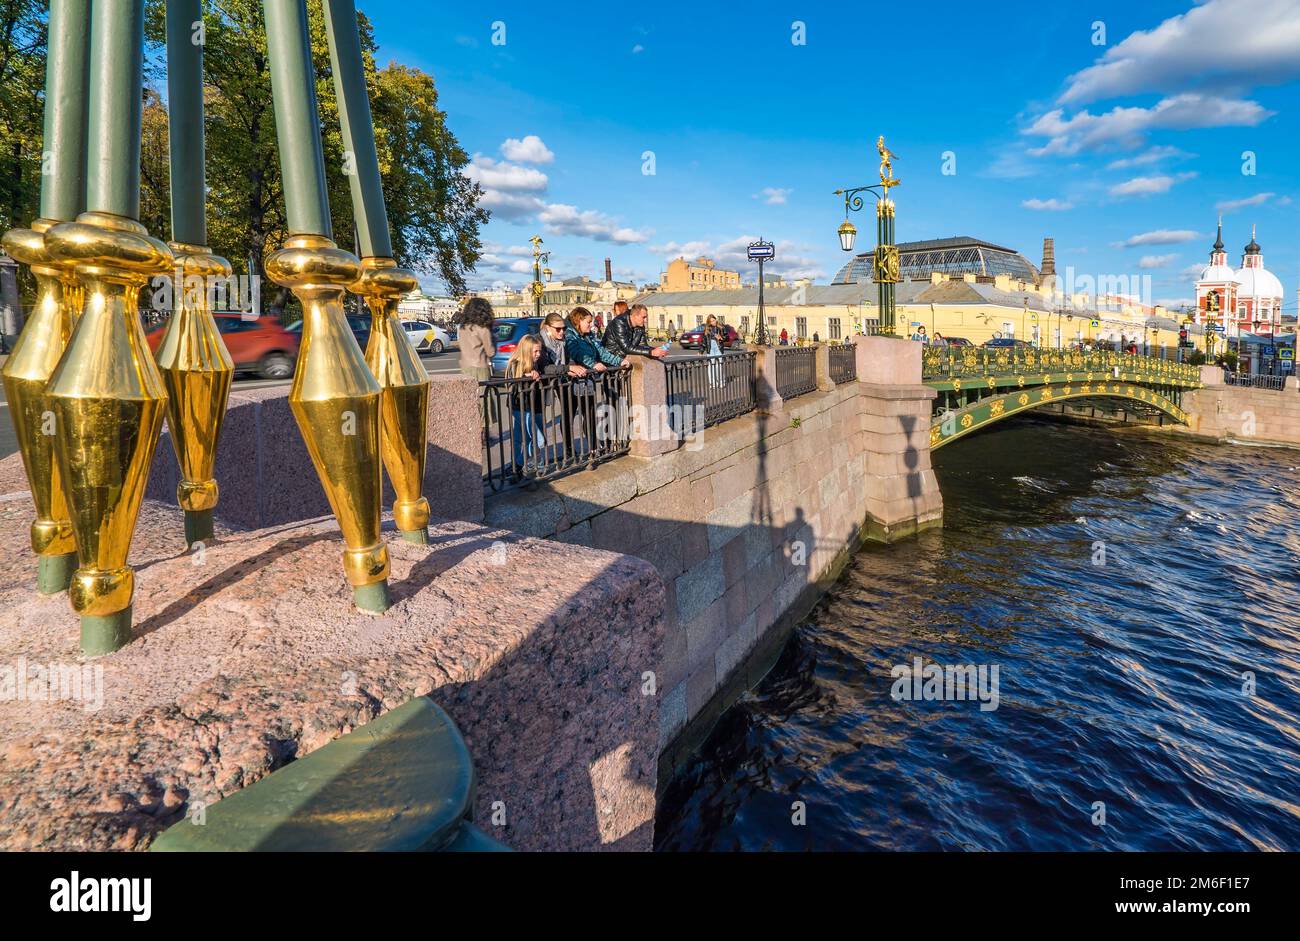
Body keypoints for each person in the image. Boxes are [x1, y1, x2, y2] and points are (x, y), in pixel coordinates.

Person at [565, 306, 625, 455]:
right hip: (570, 381)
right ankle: (569, 450)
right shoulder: (570, 335)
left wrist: (619, 361)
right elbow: (577, 353)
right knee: (569, 415)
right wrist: (593, 364)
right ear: (578, 321)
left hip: (587, 380)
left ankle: (593, 447)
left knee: (590, 414)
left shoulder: (589, 335)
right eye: (588, 322)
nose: (591, 325)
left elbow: (601, 352)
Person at [540, 311, 588, 464]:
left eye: (564, 328)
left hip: (562, 379)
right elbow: (545, 368)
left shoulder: (563, 340)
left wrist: (571, 368)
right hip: (541, 385)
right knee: (538, 423)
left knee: (568, 411)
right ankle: (532, 462)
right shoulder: (539, 341)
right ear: (548, 328)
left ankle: (569, 449)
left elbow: (567, 359)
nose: (562, 332)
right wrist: (568, 368)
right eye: (558, 329)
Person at [503, 334, 548, 479]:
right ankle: (519, 464)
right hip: (519, 407)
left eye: (539, 351)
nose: (538, 354)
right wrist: (527, 375)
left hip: (530, 406)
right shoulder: (515, 363)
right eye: (535, 351)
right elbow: (514, 378)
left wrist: (535, 372)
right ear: (526, 351)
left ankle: (516, 466)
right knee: (538, 439)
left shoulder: (535, 363)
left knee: (520, 438)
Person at [455, 296, 497, 439]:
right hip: (480, 367)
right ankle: (483, 432)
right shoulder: (483, 329)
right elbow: (490, 352)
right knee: (483, 400)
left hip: (465, 367)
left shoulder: (463, 328)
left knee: (470, 401)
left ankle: (472, 431)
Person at [603, 302, 668, 360]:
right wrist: (651, 352)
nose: (645, 320)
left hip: (626, 357)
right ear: (635, 316)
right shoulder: (619, 322)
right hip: (612, 358)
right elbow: (626, 348)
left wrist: (656, 351)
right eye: (643, 317)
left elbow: (643, 344)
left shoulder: (640, 325)